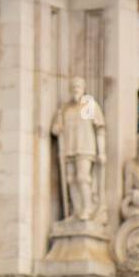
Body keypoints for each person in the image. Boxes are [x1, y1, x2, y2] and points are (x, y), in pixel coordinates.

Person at [51, 77, 106, 222]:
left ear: (83, 88)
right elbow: (56, 128)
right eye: (73, 86)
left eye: (78, 86)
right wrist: (57, 128)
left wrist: (101, 152)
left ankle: (87, 208)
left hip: (85, 148)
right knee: (70, 180)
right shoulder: (65, 108)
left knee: (82, 178)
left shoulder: (88, 104)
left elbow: (99, 129)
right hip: (69, 149)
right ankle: (76, 211)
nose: (76, 89)